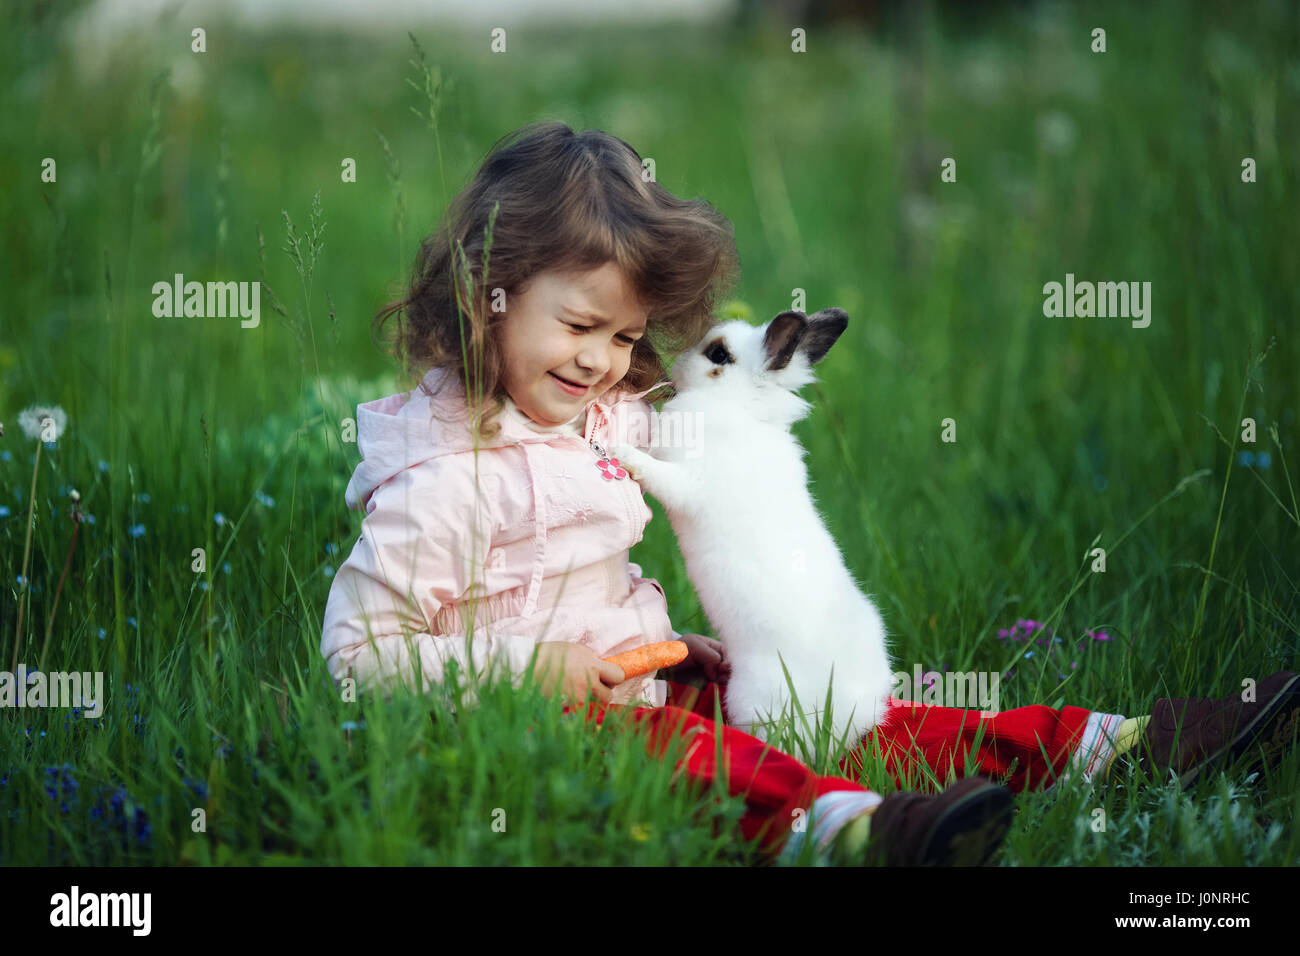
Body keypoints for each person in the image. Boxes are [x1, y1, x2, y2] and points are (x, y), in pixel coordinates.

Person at [321, 120, 1300, 866]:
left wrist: (668, 643)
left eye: (623, 337)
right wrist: (533, 673)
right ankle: (841, 823)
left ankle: (1101, 746)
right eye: (580, 324)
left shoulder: (594, 420)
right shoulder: (439, 484)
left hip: (644, 674)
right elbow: (358, 657)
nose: (604, 359)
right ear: (483, 289)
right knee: (682, 751)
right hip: (528, 717)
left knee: (844, 704)